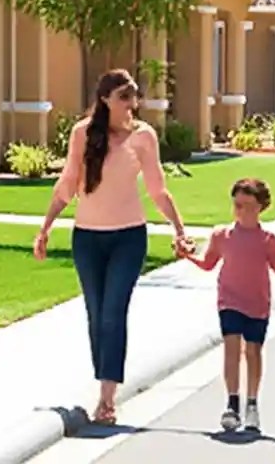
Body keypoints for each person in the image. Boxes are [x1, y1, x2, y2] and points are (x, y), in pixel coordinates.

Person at [33, 69, 193, 426]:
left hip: (128, 237)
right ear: (105, 98)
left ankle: (107, 398)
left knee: (113, 313)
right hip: (87, 239)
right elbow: (67, 185)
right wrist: (44, 229)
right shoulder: (82, 134)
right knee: (95, 314)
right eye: (124, 96)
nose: (131, 104)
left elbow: (158, 190)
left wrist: (179, 229)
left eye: (134, 96)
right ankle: (103, 382)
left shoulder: (144, 137)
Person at [181, 178, 275, 433]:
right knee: (232, 347)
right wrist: (186, 254)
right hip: (229, 300)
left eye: (247, 205)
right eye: (237, 205)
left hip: (258, 302)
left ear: (261, 207)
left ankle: (252, 404)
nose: (241, 210)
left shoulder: (267, 239)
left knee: (253, 352)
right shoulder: (222, 235)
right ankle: (232, 403)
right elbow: (208, 264)